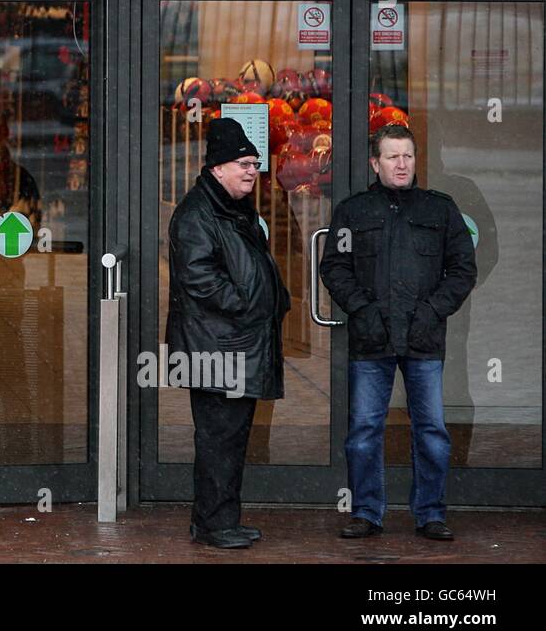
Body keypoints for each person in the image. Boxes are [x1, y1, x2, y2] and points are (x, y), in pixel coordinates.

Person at [319, 124, 477, 541]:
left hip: (424, 339)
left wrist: (433, 311)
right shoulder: (353, 212)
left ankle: (430, 513)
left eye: (407, 155)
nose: (401, 164)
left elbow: (463, 270)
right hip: (372, 340)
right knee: (365, 430)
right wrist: (362, 309)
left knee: (432, 431)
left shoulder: (440, 210)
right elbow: (334, 266)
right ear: (376, 163)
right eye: (392, 156)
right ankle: (367, 512)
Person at [167, 117, 289, 549]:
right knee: (219, 438)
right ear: (218, 167)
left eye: (255, 163)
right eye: (243, 163)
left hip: (235, 343)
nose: (252, 170)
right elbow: (198, 277)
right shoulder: (198, 214)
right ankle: (215, 525)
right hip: (216, 348)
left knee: (232, 439)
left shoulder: (232, 208)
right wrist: (249, 303)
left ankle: (221, 519)